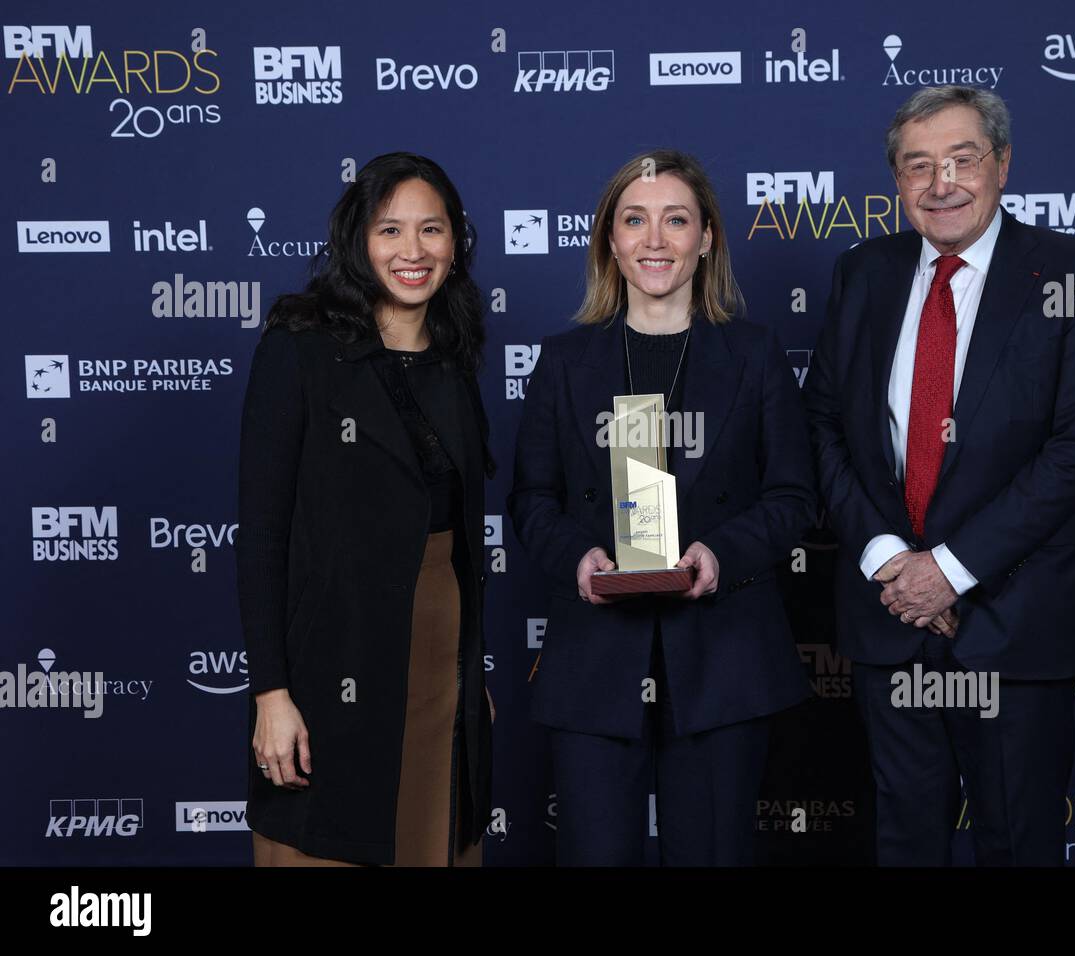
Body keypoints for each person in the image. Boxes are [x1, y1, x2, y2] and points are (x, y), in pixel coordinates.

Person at [804, 86, 1075, 866]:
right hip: (890, 620)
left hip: (1013, 623)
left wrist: (947, 571)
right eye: (918, 166)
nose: (940, 181)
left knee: (1017, 842)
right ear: (898, 183)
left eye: (961, 159)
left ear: (1002, 165)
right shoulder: (863, 272)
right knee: (904, 842)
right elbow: (821, 427)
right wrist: (890, 563)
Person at [508, 149, 814, 865]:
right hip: (594, 662)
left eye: (675, 220)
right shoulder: (563, 361)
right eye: (634, 220)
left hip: (722, 658)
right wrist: (575, 558)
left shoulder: (756, 353)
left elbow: (794, 496)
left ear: (706, 237)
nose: (654, 240)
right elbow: (531, 498)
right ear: (609, 240)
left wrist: (721, 553)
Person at [237, 152, 494, 867]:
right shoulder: (300, 351)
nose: (413, 252)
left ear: (455, 243)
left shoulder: (456, 357)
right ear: (358, 240)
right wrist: (272, 694)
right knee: (333, 843)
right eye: (391, 231)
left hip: (444, 665)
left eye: (432, 231)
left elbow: (466, 540)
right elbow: (261, 534)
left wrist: (475, 678)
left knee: (434, 838)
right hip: (330, 665)